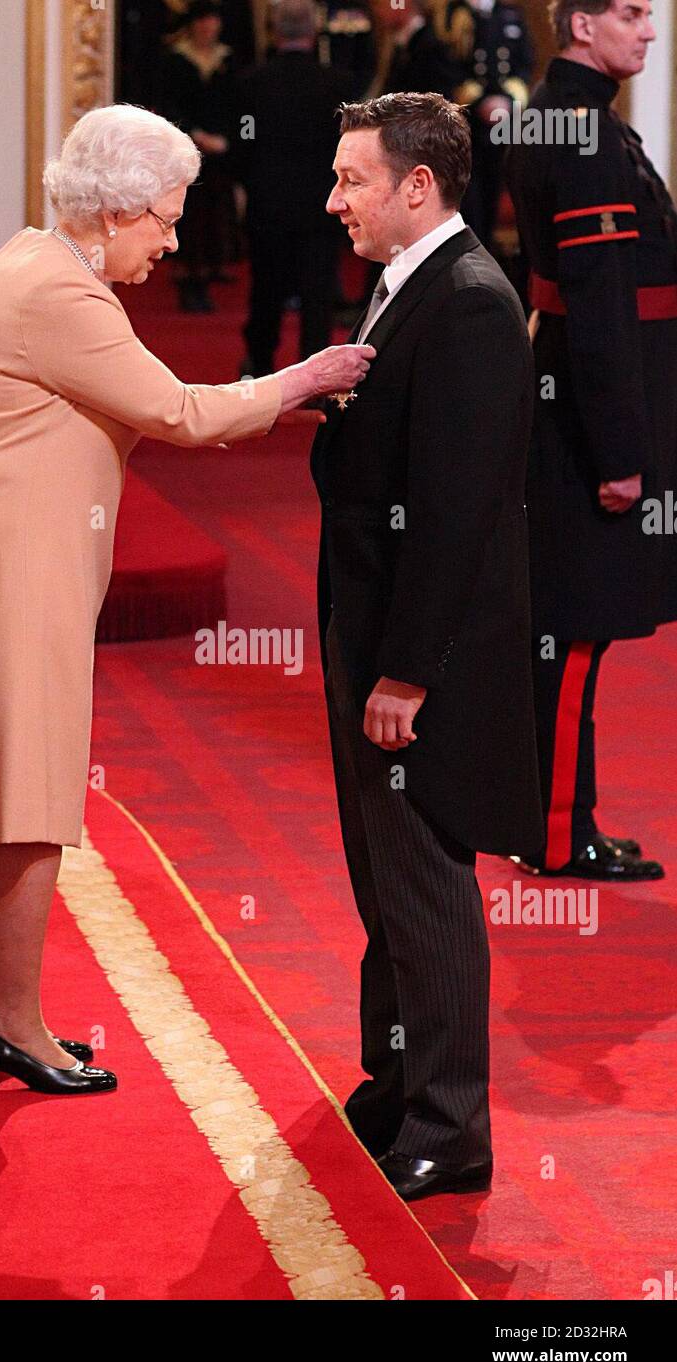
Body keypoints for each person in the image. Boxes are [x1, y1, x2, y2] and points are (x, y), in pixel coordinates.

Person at [0, 103, 374, 1096]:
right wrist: (305, 376)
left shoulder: (39, 262)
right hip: (15, 551)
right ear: (111, 212)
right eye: (160, 218)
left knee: (4, 776)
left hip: (0, 539)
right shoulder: (61, 296)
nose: (169, 240)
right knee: (28, 781)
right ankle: (17, 1020)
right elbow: (181, 415)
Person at [311, 91, 541, 1199]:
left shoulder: (466, 303)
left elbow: (453, 516)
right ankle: (397, 1083)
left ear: (416, 185)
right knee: (380, 874)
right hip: (369, 621)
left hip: (417, 652)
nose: (332, 198)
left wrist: (404, 671)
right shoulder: (408, 287)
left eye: (351, 179)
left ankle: (450, 1127)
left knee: (423, 882)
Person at [506, 0, 676, 881]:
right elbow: (603, 306)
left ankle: (565, 819)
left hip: (569, 397)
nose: (647, 31)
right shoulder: (581, 136)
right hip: (590, 417)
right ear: (578, 25)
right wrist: (623, 455)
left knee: (575, 634)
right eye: (630, 14)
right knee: (575, 633)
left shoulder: (566, 120)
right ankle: (556, 831)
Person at [235, 0, 358, 376]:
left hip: (267, 204)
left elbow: (242, 141)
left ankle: (257, 367)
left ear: (274, 31)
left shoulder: (250, 84)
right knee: (317, 295)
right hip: (321, 205)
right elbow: (348, 148)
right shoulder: (339, 85)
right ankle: (315, 378)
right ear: (314, 31)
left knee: (266, 293)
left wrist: (249, 185)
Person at [156, 1, 238, 312]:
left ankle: (216, 262)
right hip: (184, 149)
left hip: (221, 149)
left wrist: (236, 138)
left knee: (218, 209)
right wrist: (193, 134)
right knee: (191, 213)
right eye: (202, 20)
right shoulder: (175, 61)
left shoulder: (229, 60)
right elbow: (166, 107)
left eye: (213, 19)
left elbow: (243, 111)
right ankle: (191, 277)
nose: (208, 26)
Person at [454, 0, 534, 251]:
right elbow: (448, 67)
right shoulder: (454, 15)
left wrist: (508, 100)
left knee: (496, 195)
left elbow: (524, 64)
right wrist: (478, 102)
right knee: (468, 201)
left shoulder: (510, 15)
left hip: (503, 124)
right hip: (465, 123)